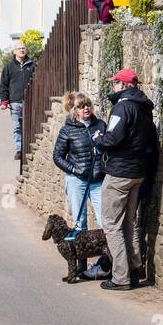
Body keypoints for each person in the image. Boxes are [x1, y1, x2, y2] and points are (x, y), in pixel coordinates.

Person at [93, 68, 158, 290]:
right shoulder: (145, 108)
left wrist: (99, 139)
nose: (113, 87)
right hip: (138, 172)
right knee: (129, 222)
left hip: (119, 173)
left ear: (122, 85)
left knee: (112, 224)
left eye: (115, 83)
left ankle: (120, 277)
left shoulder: (122, 107)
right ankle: (133, 268)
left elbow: (113, 138)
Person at [52, 91, 108, 248]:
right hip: (77, 181)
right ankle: (81, 267)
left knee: (105, 221)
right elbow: (57, 157)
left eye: (88, 104)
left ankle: (106, 264)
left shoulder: (100, 125)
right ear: (74, 110)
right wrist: (74, 170)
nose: (86, 108)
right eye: (81, 106)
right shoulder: (67, 130)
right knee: (80, 223)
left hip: (98, 180)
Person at [0, 42, 35, 160]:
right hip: (15, 102)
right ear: (14, 51)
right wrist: (4, 101)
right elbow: (3, 85)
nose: (22, 50)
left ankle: (29, 147)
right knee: (17, 126)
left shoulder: (32, 65)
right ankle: (19, 149)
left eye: (23, 48)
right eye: (19, 48)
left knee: (30, 124)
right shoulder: (8, 67)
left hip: (30, 101)